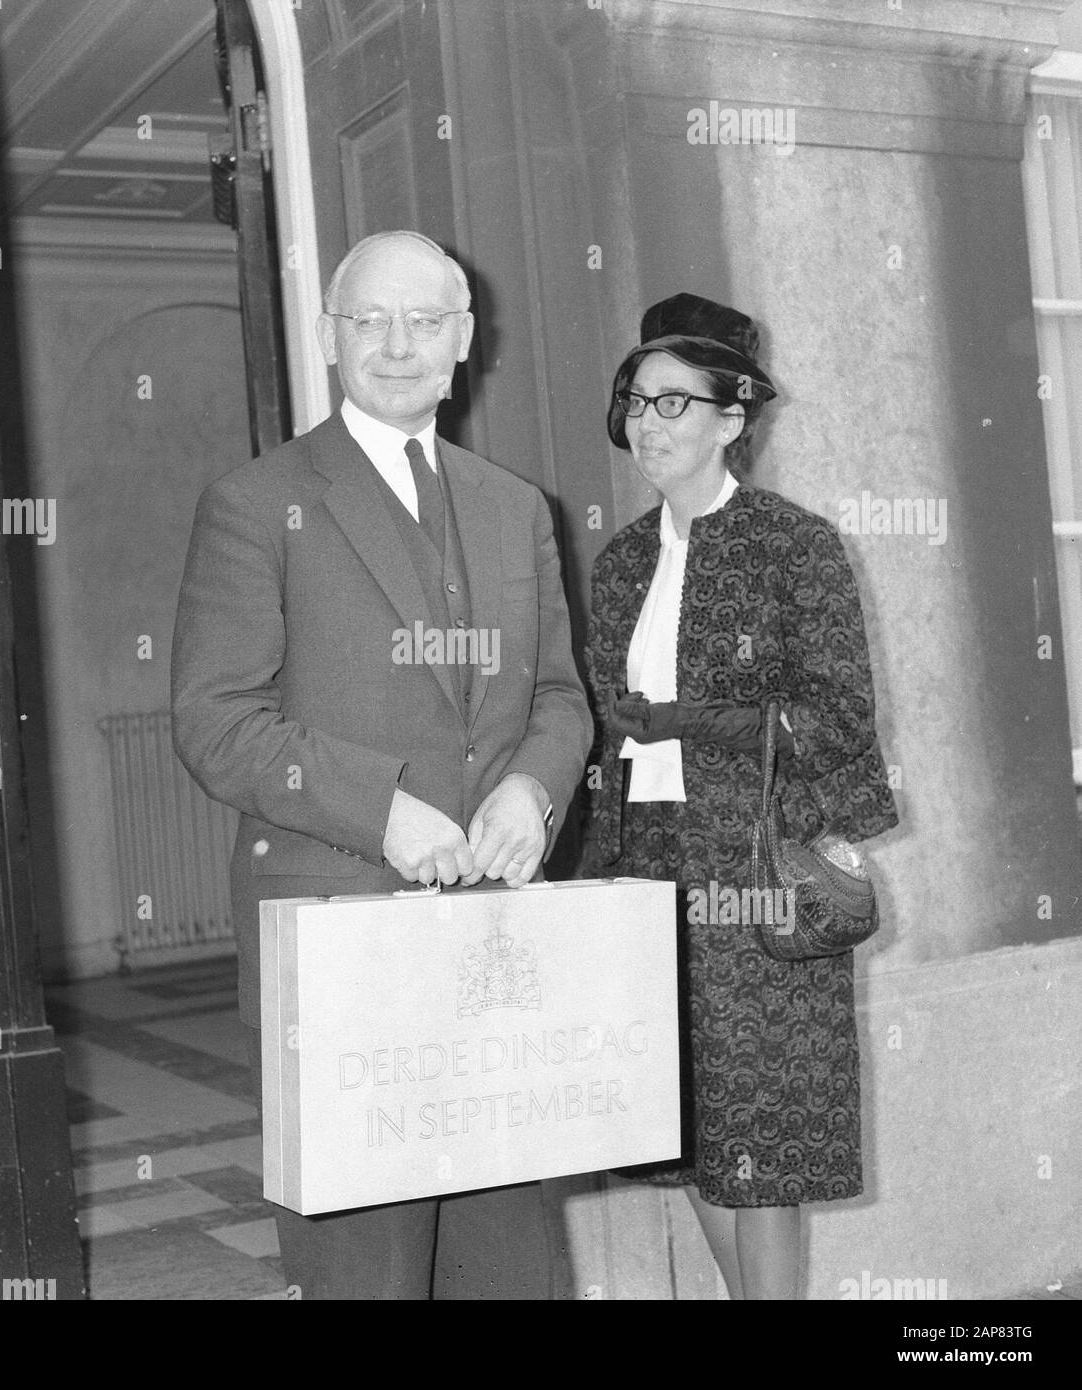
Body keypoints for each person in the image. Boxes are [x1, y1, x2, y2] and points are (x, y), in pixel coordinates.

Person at [171, 230, 593, 1300]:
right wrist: (385, 811)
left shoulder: (514, 506)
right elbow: (215, 721)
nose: (397, 345)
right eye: (370, 320)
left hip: (496, 952)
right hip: (338, 945)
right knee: (369, 1275)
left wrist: (530, 790)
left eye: (423, 321)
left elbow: (558, 696)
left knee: (508, 1273)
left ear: (464, 340)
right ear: (329, 336)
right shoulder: (255, 503)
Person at [582, 293, 898, 1300]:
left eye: (673, 403)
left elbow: (837, 719)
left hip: (757, 871)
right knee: (684, 1130)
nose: (646, 423)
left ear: (731, 418)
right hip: (648, 867)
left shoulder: (792, 544)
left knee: (765, 1139)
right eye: (636, 401)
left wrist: (697, 719)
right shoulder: (618, 563)